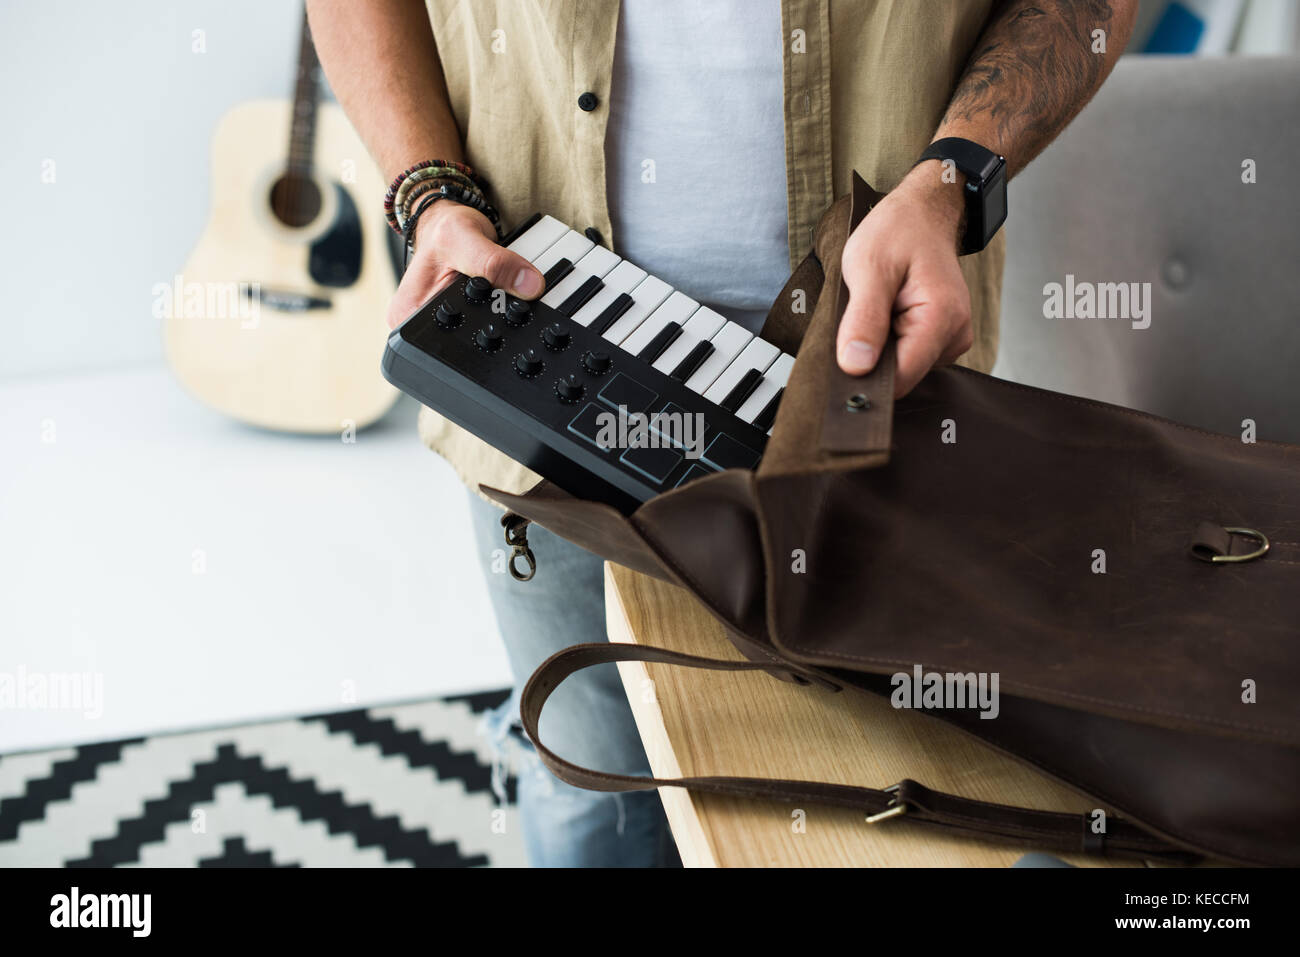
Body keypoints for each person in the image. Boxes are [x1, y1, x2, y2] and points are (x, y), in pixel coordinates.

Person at [307, 0, 1137, 867]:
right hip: (537, 383)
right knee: (594, 792)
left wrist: (951, 180)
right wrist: (429, 194)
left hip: (878, 398)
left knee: (875, 815)